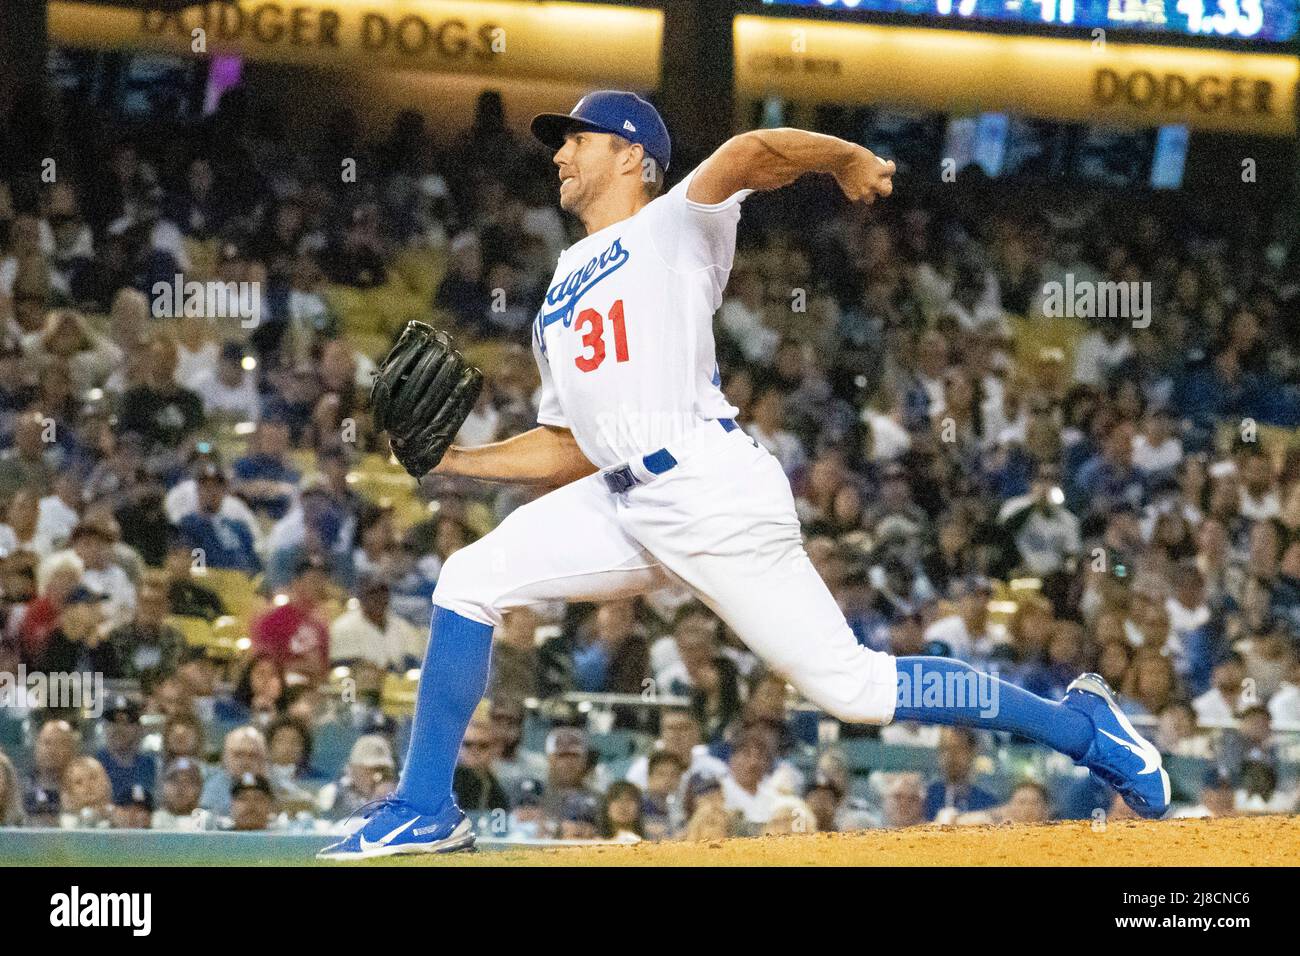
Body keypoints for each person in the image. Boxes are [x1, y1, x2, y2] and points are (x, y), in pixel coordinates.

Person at [320, 91, 1168, 859]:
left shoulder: (671, 228)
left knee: (857, 690)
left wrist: (840, 156)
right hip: (622, 496)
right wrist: (458, 461)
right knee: (469, 578)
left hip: (708, 490)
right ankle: (427, 805)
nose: (558, 154)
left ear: (630, 155)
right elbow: (572, 442)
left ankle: (1087, 730)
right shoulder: (556, 294)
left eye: (576, 138)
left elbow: (747, 153)